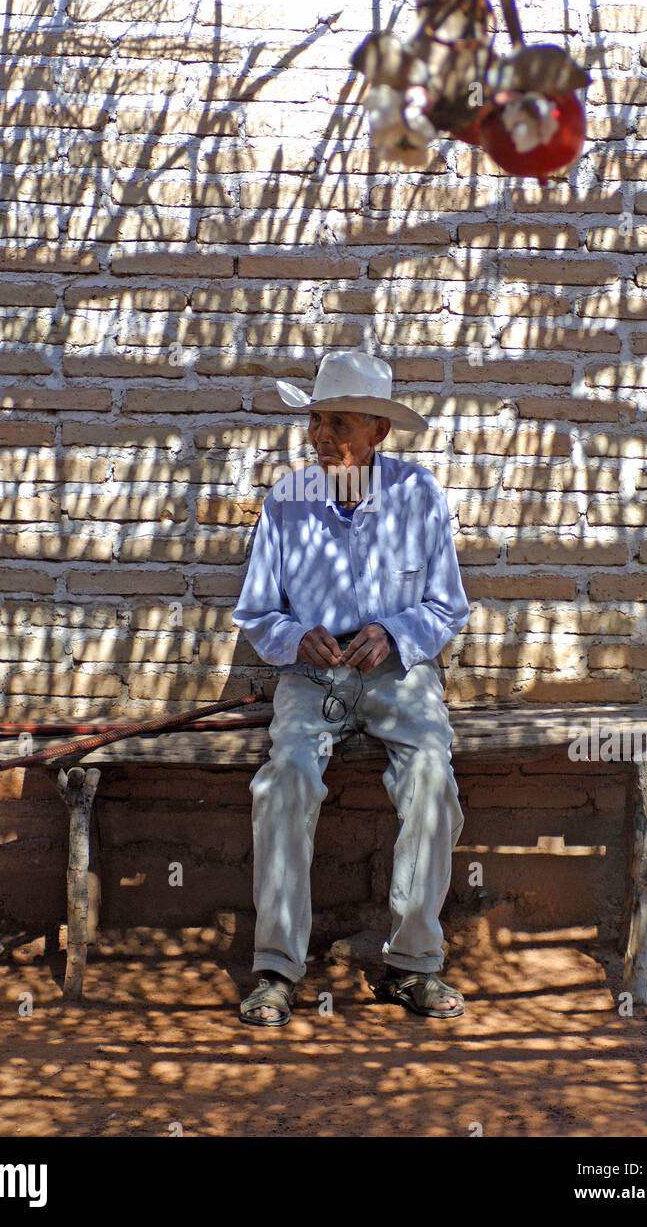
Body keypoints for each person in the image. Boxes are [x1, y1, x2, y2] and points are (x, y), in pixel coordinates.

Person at [231, 350, 470, 1026]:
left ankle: (413, 964)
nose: (322, 436)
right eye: (315, 421)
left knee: (431, 779)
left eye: (339, 422)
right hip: (311, 679)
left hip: (400, 677)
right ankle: (276, 969)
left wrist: (393, 635)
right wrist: (292, 637)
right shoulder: (287, 500)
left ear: (378, 433)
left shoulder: (416, 495)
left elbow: (447, 607)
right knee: (285, 782)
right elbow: (257, 611)